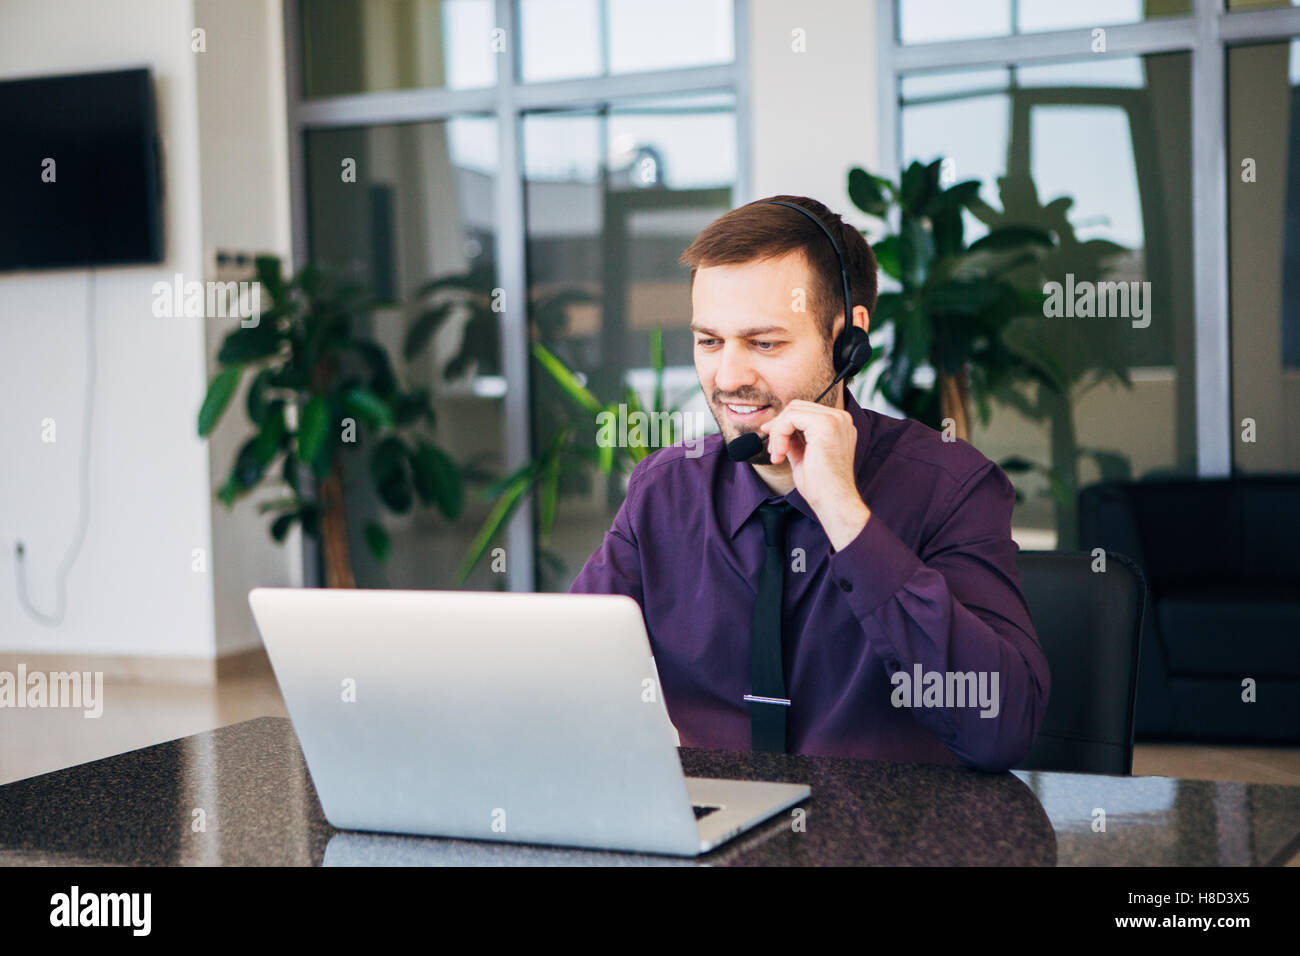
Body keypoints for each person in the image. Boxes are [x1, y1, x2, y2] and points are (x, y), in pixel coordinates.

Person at [570, 194, 1050, 772]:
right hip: (713, 839)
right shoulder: (664, 494)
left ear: (848, 341)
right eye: (709, 341)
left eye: (765, 343)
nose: (729, 377)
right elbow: (566, 678)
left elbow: (1001, 732)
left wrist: (846, 515)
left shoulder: (952, 487)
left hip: (889, 840)